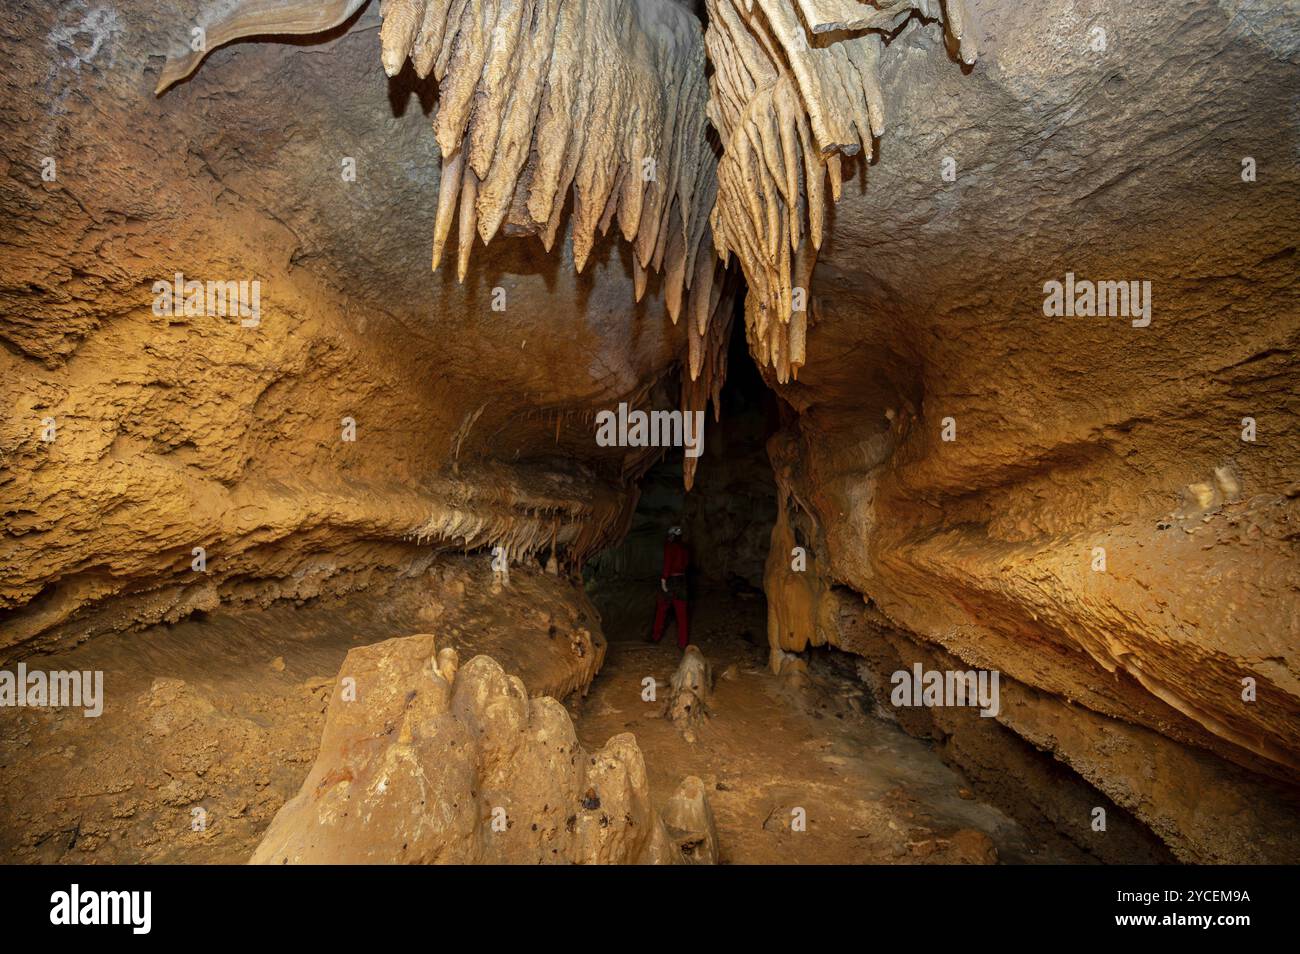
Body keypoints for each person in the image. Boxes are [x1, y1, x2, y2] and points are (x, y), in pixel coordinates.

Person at [651, 526, 690, 648]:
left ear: (672, 535)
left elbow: (667, 563)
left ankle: (656, 637)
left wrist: (664, 579)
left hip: (671, 580)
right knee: (682, 613)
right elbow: (686, 564)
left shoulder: (670, 546)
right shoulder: (685, 548)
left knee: (662, 609)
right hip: (682, 580)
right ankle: (683, 643)